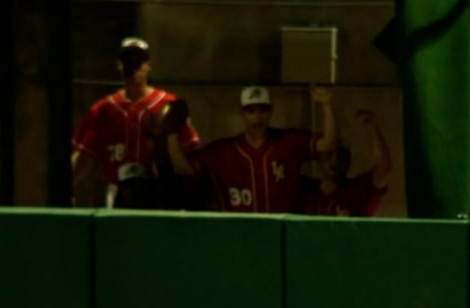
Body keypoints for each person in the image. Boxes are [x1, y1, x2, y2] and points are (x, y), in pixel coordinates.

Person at [70, 37, 200, 209]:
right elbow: (83, 157)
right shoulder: (103, 110)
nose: (134, 67)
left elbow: (193, 153)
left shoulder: (168, 105)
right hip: (117, 191)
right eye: (128, 62)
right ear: (119, 65)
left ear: (148, 65)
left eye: (139, 62)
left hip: (160, 190)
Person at [185, 85, 337, 213]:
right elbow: (184, 167)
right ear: (242, 114)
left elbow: (327, 144)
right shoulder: (224, 151)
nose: (257, 117)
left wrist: (327, 106)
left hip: (281, 232)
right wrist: (174, 132)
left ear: (271, 112)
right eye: (250, 111)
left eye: (263, 110)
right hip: (239, 234)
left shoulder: (288, 141)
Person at [300, 108, 393, 217]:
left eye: (341, 156)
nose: (335, 161)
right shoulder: (304, 190)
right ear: (319, 158)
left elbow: (384, 171)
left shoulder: (357, 192)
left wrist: (373, 128)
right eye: (328, 155)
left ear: (349, 161)